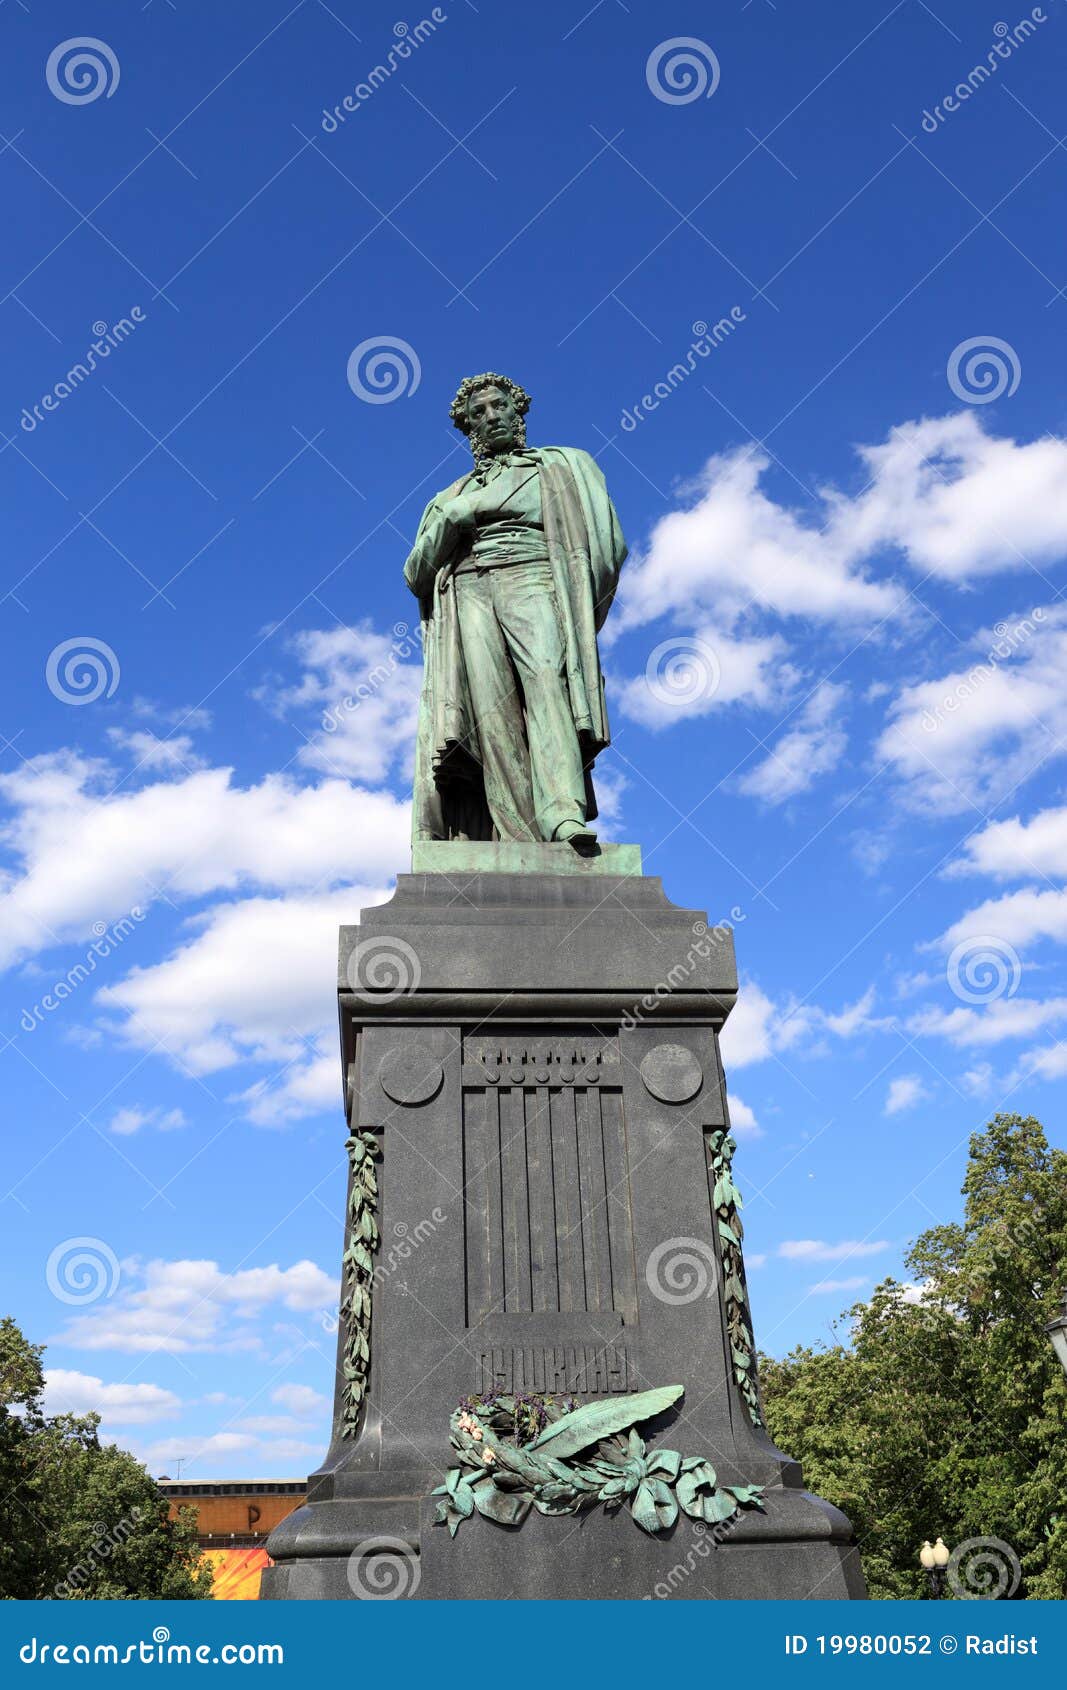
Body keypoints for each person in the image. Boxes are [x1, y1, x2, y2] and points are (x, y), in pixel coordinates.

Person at [404, 373, 627, 850]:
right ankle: (517, 835)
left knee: (547, 680)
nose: (491, 416)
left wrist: (582, 606)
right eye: (478, 413)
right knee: (492, 713)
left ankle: (563, 814)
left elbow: (609, 546)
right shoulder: (447, 498)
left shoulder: (560, 466)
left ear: (517, 409)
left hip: (534, 576)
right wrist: (450, 520)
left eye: (499, 406)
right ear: (468, 428)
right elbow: (416, 574)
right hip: (469, 590)